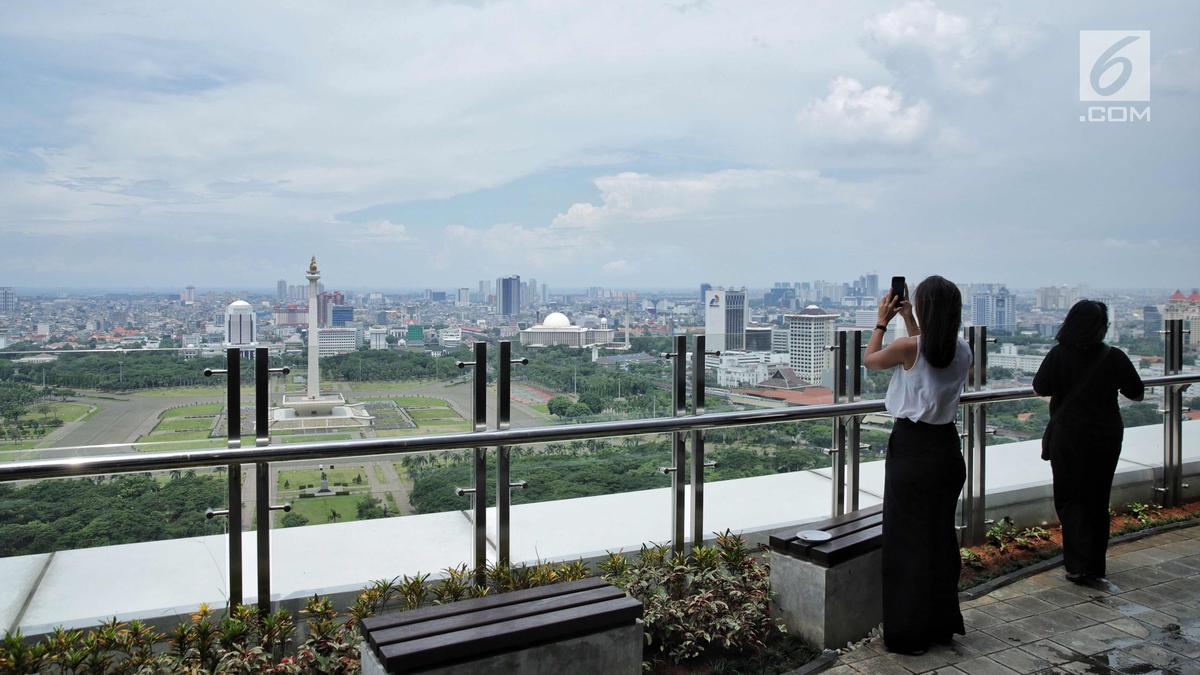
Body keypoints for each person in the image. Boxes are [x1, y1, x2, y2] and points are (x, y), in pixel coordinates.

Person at [864, 275, 972, 655]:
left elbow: (870, 361)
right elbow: (929, 352)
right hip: (946, 450)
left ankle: (909, 635)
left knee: (907, 543)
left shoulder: (906, 347)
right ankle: (940, 624)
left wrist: (882, 320)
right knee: (939, 539)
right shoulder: (963, 350)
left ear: (924, 308)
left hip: (912, 450)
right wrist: (909, 320)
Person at [1033, 300, 1144, 584]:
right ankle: (1095, 564)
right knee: (1097, 497)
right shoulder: (1113, 356)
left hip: (1069, 436)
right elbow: (1137, 392)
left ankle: (1077, 564)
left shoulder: (1059, 355)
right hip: (1105, 435)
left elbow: (1040, 386)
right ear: (1101, 329)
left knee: (1070, 499)